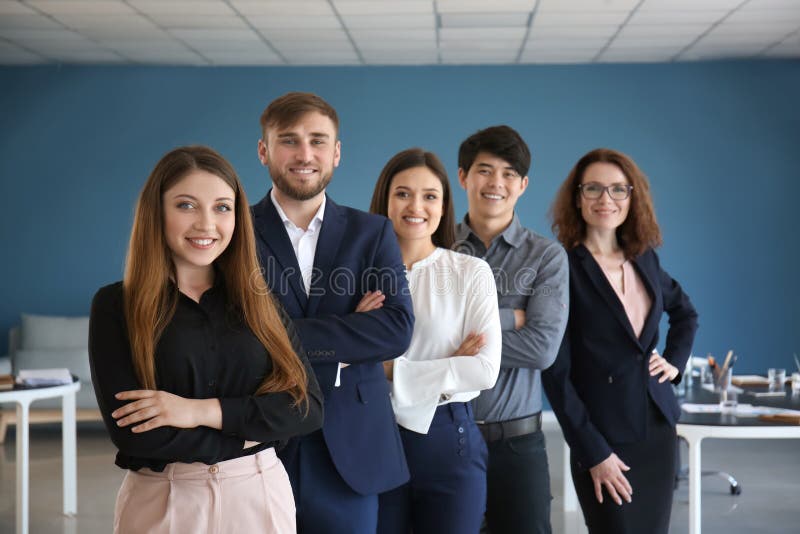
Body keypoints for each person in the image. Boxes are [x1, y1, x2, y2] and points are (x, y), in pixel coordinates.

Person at [89, 145, 323, 533]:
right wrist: (248, 435)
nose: (206, 223)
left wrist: (196, 411)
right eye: (186, 205)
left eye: (222, 207)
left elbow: (307, 408)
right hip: (164, 500)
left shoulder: (260, 300)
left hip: (259, 496)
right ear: (156, 211)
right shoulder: (117, 305)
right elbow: (135, 437)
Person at [251, 92, 415, 533]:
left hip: (352, 447)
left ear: (336, 153)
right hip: (258, 441)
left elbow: (396, 329)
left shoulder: (372, 232)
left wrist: (273, 333)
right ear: (264, 150)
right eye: (289, 140)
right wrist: (351, 330)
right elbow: (230, 335)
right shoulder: (235, 232)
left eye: (318, 141)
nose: (305, 154)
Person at [543, 148, 699, 533]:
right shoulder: (562, 269)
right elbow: (556, 374)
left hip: (658, 432)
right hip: (603, 436)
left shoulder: (645, 259)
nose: (605, 200)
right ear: (577, 198)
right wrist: (594, 452)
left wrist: (674, 363)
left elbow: (685, 314)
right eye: (593, 188)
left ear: (633, 197)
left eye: (617, 189)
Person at [370, 148, 502, 534]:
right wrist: (447, 367)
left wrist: (391, 369)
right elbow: (340, 361)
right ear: (385, 201)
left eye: (430, 196)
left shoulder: (470, 272)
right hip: (372, 437)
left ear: (444, 207)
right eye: (403, 193)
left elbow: (483, 369)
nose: (417, 206)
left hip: (448, 444)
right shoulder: (357, 274)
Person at [453, 125, 568, 534]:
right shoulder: (436, 246)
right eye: (484, 170)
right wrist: (511, 317)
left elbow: (542, 349)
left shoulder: (546, 256)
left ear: (522, 185)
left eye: (507, 173)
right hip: (446, 437)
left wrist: (461, 337)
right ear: (464, 176)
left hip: (518, 445)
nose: (495, 183)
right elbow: (417, 335)